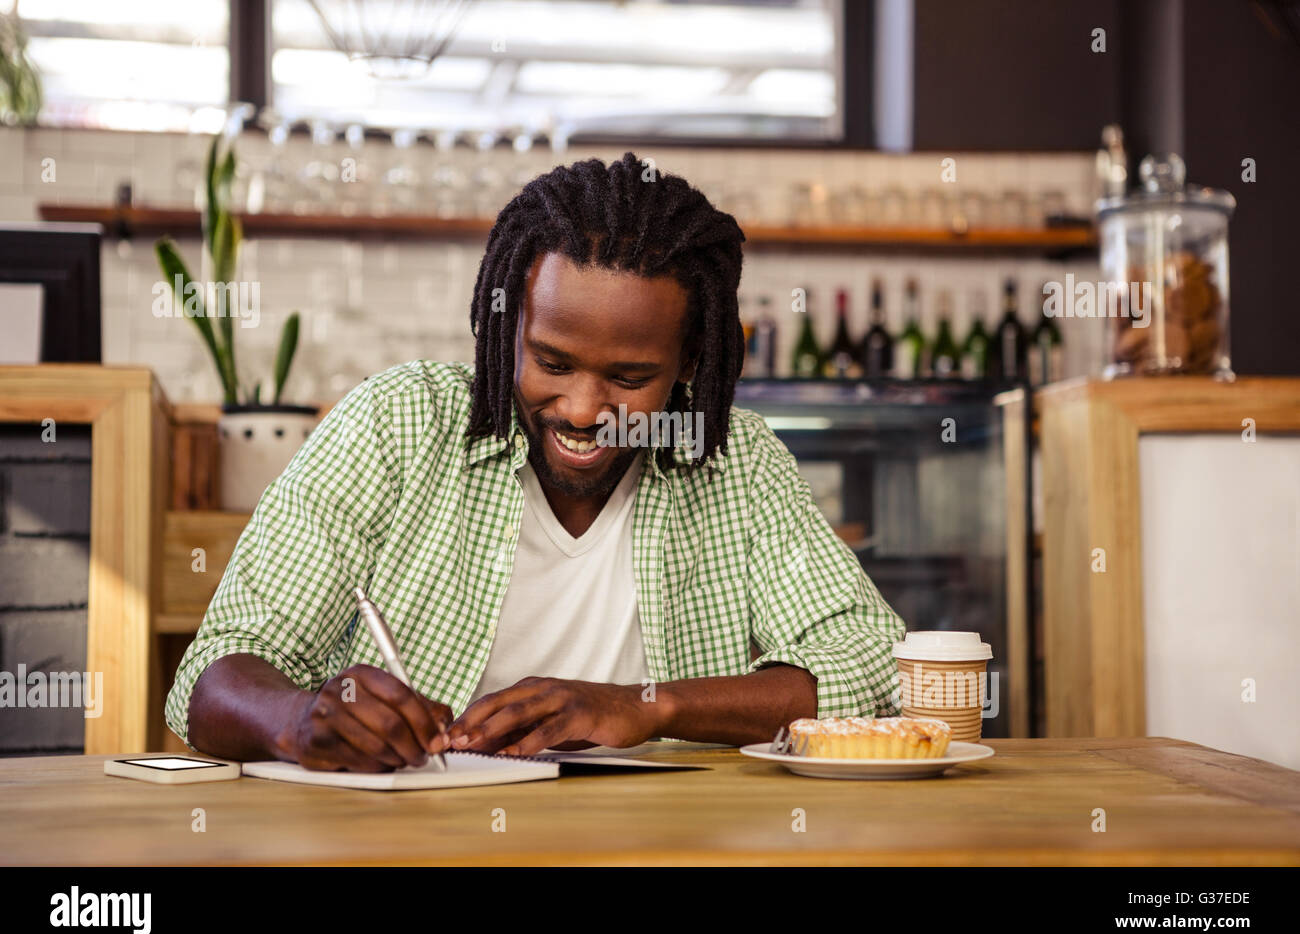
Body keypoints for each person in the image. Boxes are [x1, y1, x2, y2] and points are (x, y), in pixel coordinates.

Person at [165, 152, 904, 771]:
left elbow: (874, 666)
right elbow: (216, 673)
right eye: (551, 361)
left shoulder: (733, 462)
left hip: (673, 846)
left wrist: (647, 706)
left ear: (688, 363)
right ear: (508, 328)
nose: (583, 410)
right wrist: (300, 719)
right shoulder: (397, 424)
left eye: (628, 378)